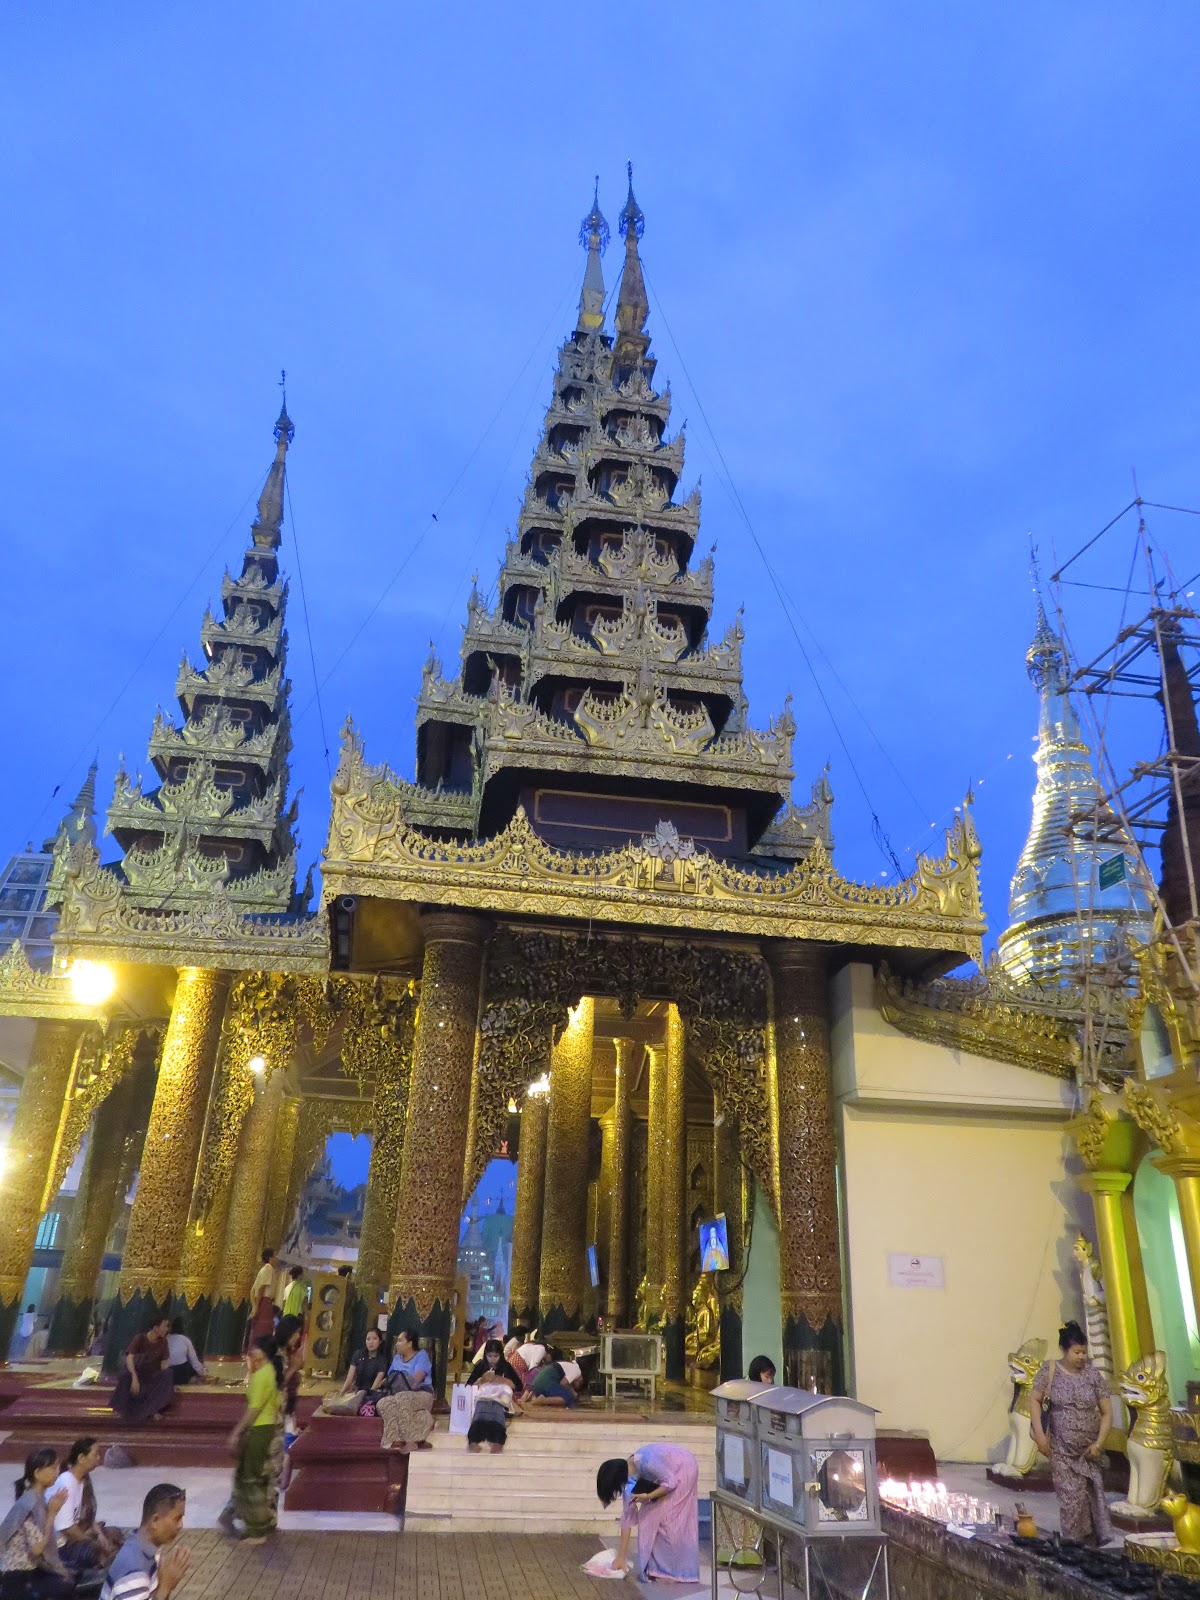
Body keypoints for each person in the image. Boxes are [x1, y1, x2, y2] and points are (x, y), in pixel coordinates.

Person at [1030, 1319, 1114, 1546]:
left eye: (1084, 1352)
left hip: (1089, 1451)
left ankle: (1090, 1547)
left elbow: (1106, 1412)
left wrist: (1099, 1443)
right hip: (1061, 1449)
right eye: (1077, 1352)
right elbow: (1035, 1401)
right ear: (1065, 1351)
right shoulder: (1050, 1371)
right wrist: (1040, 1436)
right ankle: (1072, 1546)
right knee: (1071, 1501)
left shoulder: (1093, 1376)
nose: (1082, 1357)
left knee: (1091, 1499)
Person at [597, 1446, 701, 1582]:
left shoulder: (646, 1462)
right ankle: (656, 1568)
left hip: (684, 1468)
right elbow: (627, 1518)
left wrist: (649, 1496)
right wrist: (621, 1557)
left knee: (669, 1519)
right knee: (648, 1518)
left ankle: (678, 1572)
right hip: (669, 1477)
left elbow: (671, 1482)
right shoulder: (628, 1480)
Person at [217, 1335, 284, 1545]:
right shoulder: (266, 1372)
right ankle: (240, 1519)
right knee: (245, 1476)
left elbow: (254, 1408)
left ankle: (258, 1531)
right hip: (262, 1428)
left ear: (263, 1352)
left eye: (254, 1348)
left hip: (259, 1428)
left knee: (251, 1480)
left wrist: (237, 1432)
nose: (251, 1351)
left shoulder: (263, 1374)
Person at [0, 1448, 70, 1599]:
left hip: (31, 1569)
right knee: (65, 1584)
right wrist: (52, 1514)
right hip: (16, 1575)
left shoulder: (37, 1498)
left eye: (57, 1467)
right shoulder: (29, 1504)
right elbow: (36, 1550)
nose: (57, 1472)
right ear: (37, 1473)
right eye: (52, 1468)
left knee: (70, 1574)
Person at [100, 1483, 190, 1600]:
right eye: (177, 1518)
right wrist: (165, 1587)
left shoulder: (149, 1551)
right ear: (155, 1521)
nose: (180, 1525)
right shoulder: (134, 1570)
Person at [52, 1438, 120, 1578]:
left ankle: (105, 1561)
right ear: (81, 1458)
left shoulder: (83, 1480)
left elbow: (86, 1519)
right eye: (95, 1454)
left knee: (115, 1534)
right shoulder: (67, 1482)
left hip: (77, 1535)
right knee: (96, 1550)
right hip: (61, 1546)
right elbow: (67, 1529)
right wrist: (95, 1542)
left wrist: (100, 1534)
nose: (99, 1458)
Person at [376, 1329, 434, 1452]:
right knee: (383, 1403)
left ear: (410, 1343)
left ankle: (411, 1440)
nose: (397, 1344)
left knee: (403, 1398)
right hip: (398, 1395)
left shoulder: (422, 1355)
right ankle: (395, 1439)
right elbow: (389, 1378)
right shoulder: (397, 1358)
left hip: (421, 1394)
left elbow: (417, 1380)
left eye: (400, 1340)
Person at [111, 1317, 174, 1425]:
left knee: (168, 1374)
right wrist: (134, 1377)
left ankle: (152, 1408)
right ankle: (124, 1409)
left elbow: (164, 1365)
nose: (166, 1329)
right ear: (155, 1328)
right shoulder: (139, 1338)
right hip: (137, 1373)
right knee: (126, 1375)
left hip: (151, 1375)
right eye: (164, 1326)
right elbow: (130, 1358)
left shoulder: (163, 1342)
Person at [465, 1339, 523, 1452]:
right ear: (485, 1355)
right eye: (489, 1356)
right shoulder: (481, 1366)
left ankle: (498, 1440)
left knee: (496, 1408)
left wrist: (500, 1379)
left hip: (501, 1399)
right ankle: (473, 1440)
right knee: (482, 1408)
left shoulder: (506, 1367)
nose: (492, 1359)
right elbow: (469, 1385)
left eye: (495, 1356)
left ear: (500, 1355)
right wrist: (482, 1380)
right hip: (482, 1398)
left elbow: (518, 1386)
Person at [323, 1327, 388, 1415]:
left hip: (370, 1395)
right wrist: (341, 1393)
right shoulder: (358, 1354)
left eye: (374, 1339)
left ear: (380, 1341)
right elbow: (349, 1379)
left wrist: (363, 1397)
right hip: (356, 1391)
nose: (370, 1342)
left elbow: (374, 1387)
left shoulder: (382, 1360)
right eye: (368, 1339)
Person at [247, 1249, 277, 1348]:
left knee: (258, 1328)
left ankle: (253, 1352)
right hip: (265, 1301)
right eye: (274, 1256)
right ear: (270, 1258)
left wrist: (254, 1305)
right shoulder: (269, 1268)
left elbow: (252, 1290)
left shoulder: (262, 1270)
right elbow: (261, 1288)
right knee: (264, 1328)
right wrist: (256, 1306)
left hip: (260, 1301)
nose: (276, 1259)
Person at [165, 1320, 205, 1387]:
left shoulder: (166, 1338)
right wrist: (203, 1373)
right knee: (193, 1370)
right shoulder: (185, 1340)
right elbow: (194, 1362)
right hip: (180, 1372)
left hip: (166, 1374)